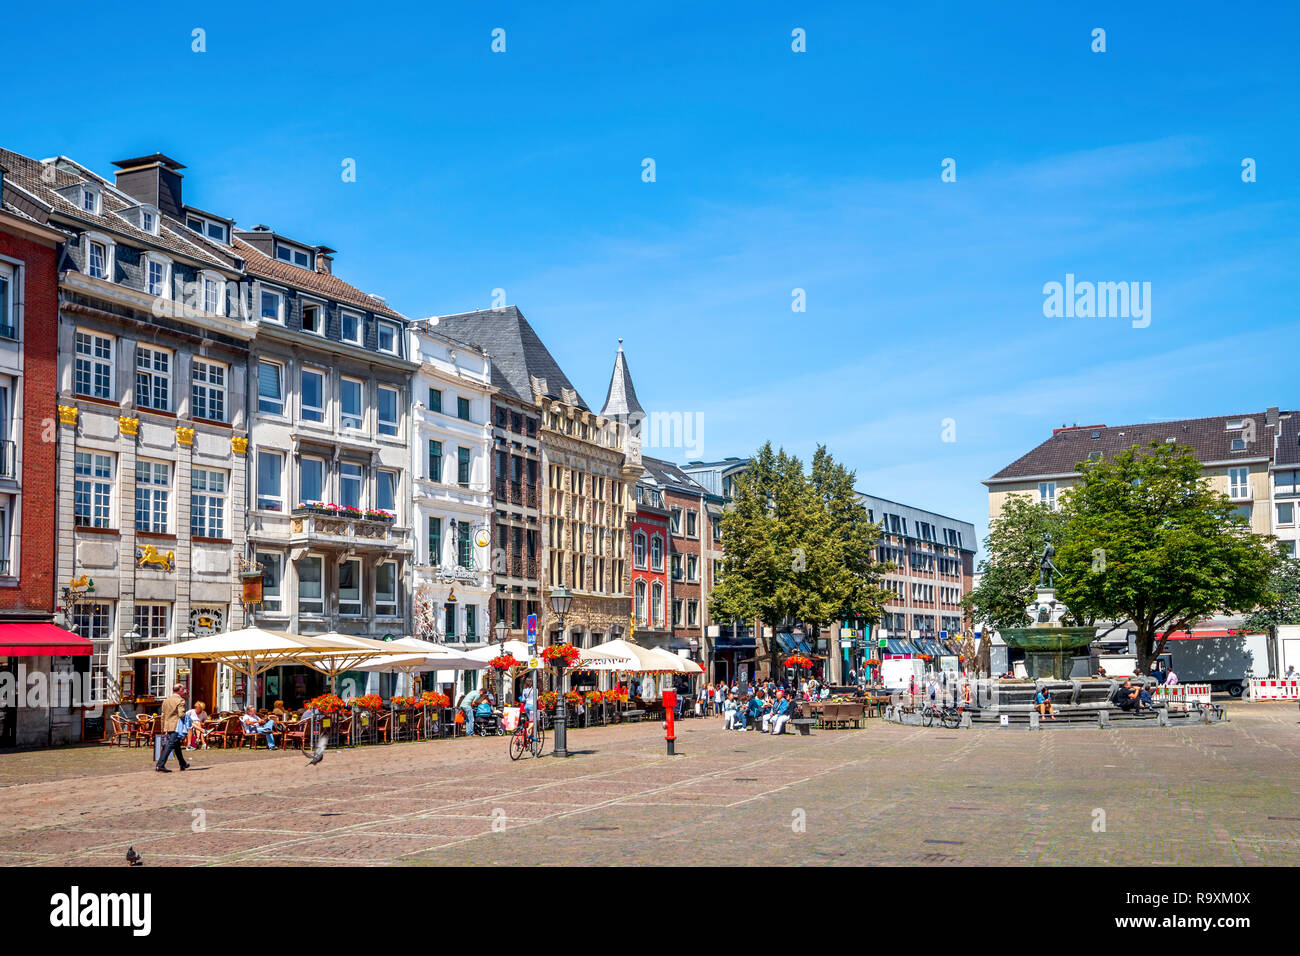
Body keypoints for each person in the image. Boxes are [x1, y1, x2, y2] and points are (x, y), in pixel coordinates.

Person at [155, 683, 191, 772]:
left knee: (176, 745)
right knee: (171, 744)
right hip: (176, 726)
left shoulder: (166, 700)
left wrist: (163, 728)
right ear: (180, 690)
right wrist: (187, 718)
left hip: (168, 725)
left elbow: (162, 715)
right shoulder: (180, 700)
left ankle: (183, 763)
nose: (184, 691)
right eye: (183, 689)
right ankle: (160, 765)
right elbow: (181, 714)